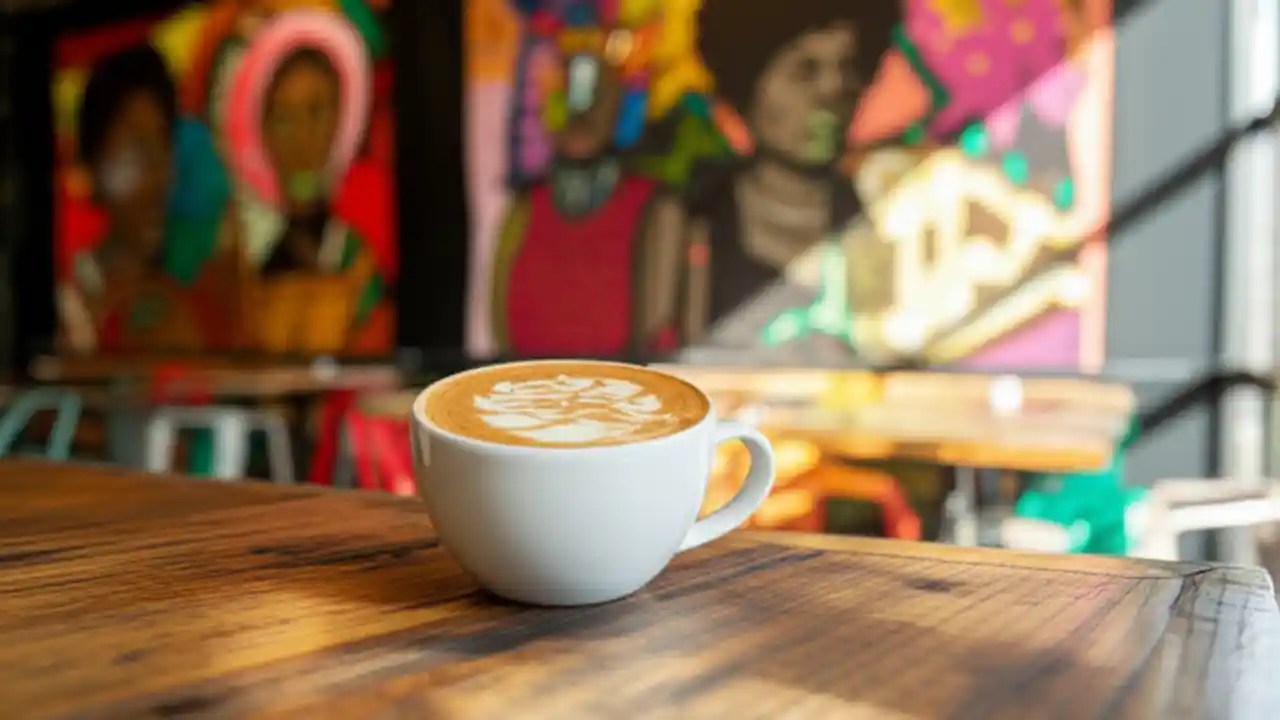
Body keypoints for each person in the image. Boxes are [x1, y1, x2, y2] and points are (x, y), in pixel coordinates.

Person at [637, 1, 901, 345]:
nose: (832, 91)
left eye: (849, 68)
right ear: (748, 85)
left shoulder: (884, 217)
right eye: (805, 71)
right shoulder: (690, 220)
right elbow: (654, 373)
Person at [58, 46, 216, 353]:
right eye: (139, 150)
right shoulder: (66, 307)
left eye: (164, 147)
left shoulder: (187, 297)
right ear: (91, 163)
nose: (161, 176)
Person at [250, 46, 384, 354]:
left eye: (316, 112)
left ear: (340, 121)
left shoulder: (358, 260)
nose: (302, 138)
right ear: (263, 132)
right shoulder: (243, 263)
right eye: (283, 118)